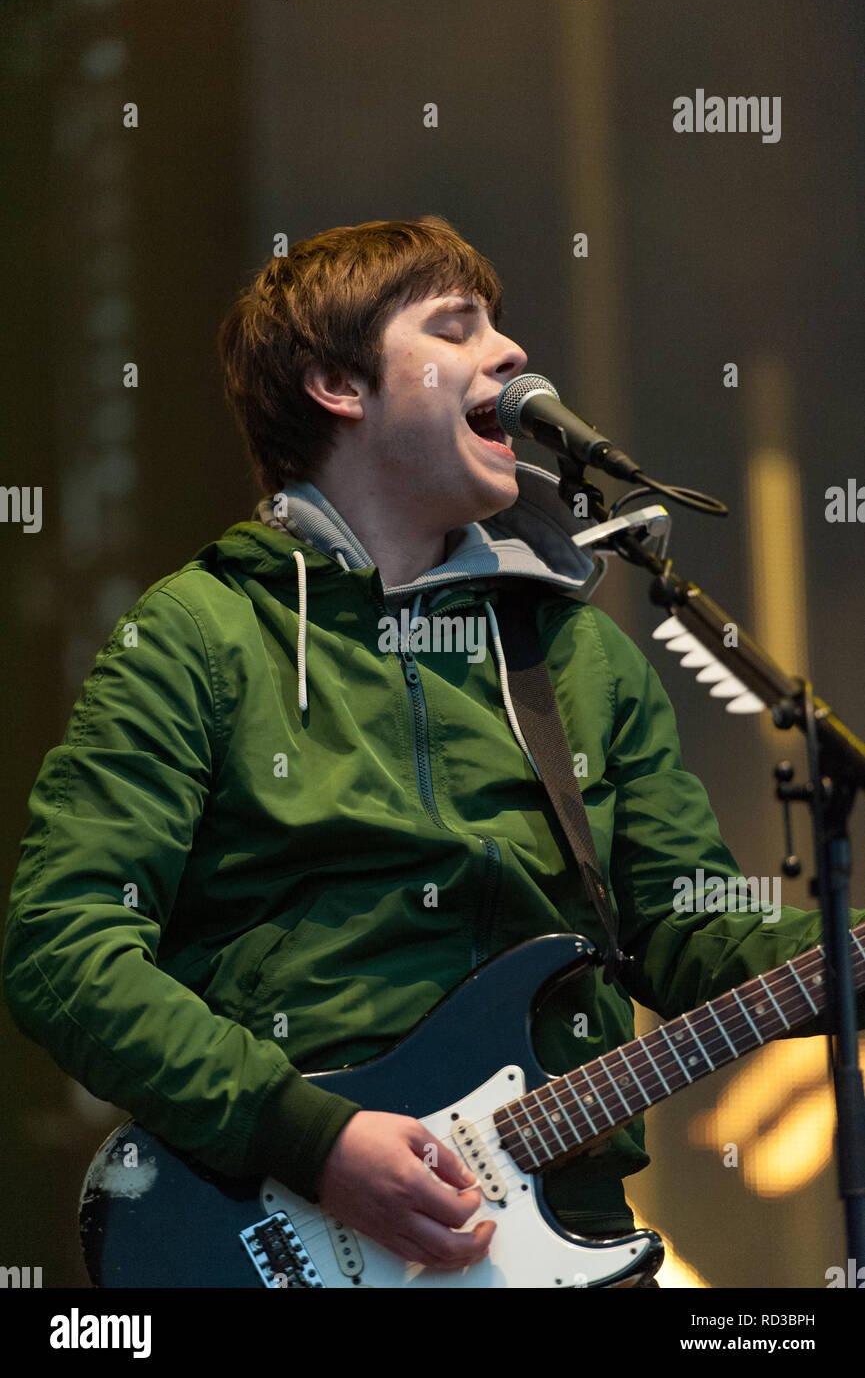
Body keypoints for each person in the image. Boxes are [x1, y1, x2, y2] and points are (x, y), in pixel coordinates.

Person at [3, 216, 859, 1282]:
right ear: (336, 385)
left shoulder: (577, 655)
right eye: (456, 327)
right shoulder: (202, 635)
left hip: (566, 1232)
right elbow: (61, 943)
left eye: (498, 326)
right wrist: (310, 1137)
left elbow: (687, 932)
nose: (506, 354)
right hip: (275, 1232)